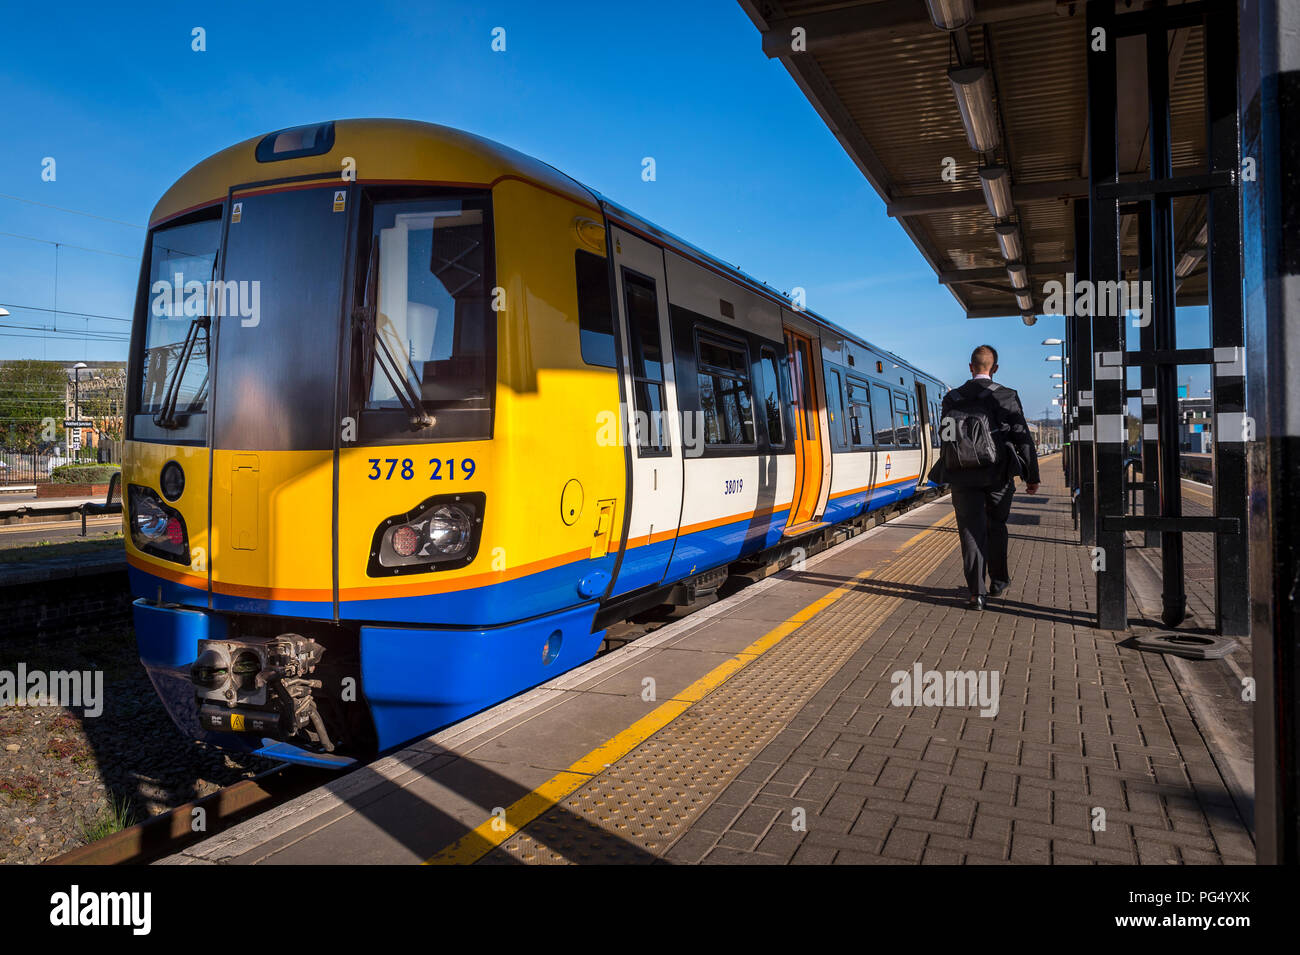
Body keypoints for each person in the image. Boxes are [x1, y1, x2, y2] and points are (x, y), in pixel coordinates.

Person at [938, 344, 1040, 610]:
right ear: (994, 369)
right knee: (996, 527)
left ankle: (976, 594)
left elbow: (947, 438)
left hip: (962, 477)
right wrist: (1032, 475)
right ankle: (999, 580)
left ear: (971, 367)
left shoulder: (953, 398)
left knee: (970, 533)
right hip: (998, 475)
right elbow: (1022, 436)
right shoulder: (1005, 395)